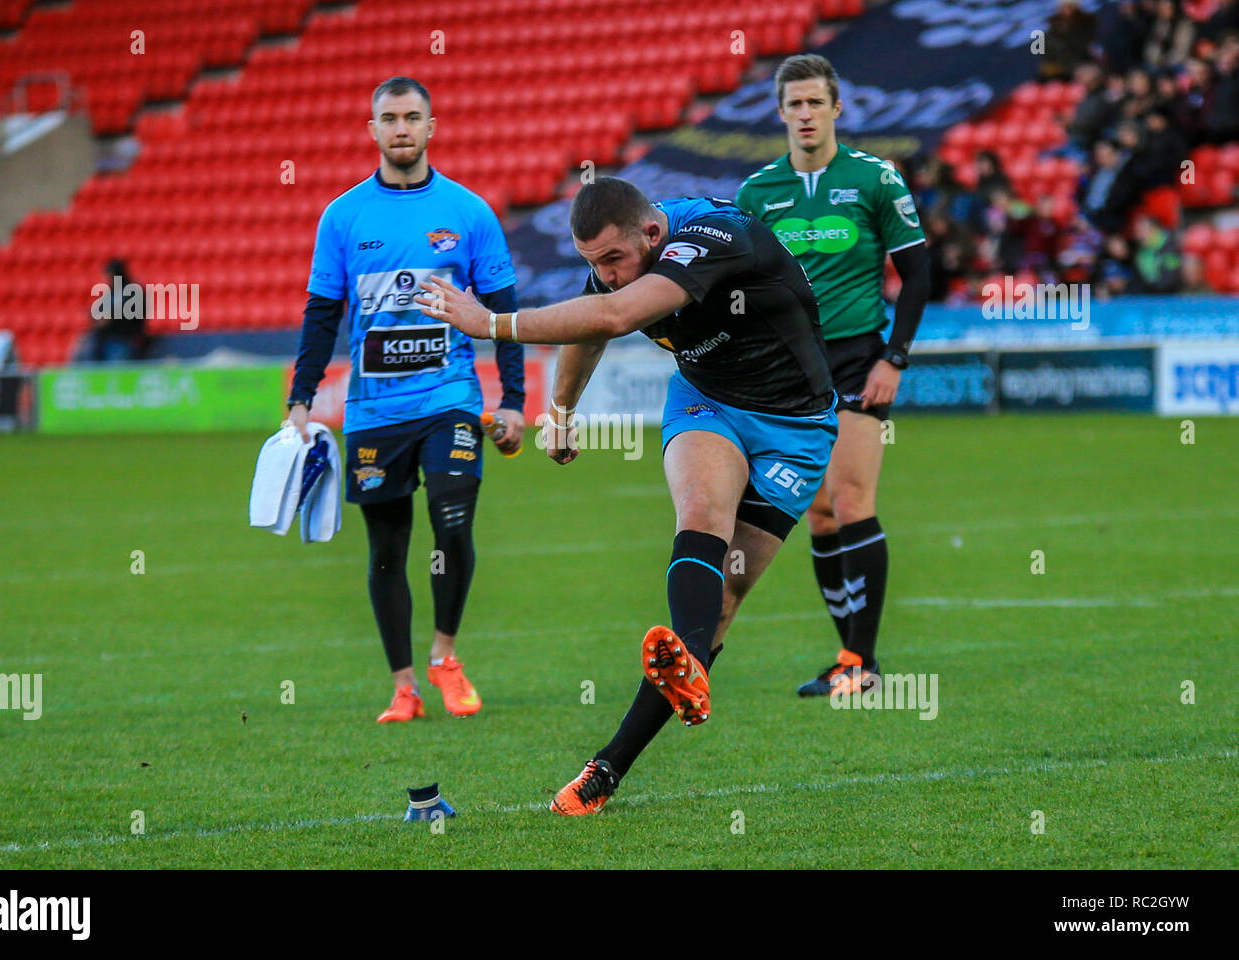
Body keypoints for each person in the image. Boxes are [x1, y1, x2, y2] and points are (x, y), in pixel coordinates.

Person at [416, 176, 837, 815]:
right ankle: (677, 680)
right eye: (594, 265)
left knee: (727, 592)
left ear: (650, 232)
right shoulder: (616, 263)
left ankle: (614, 763)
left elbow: (616, 316)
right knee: (700, 512)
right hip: (710, 403)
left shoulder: (714, 236)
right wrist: (559, 407)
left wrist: (490, 322)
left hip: (796, 428)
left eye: (613, 260)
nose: (607, 276)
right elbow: (591, 330)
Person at [285, 76, 526, 723]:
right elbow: (321, 314)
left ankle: (446, 658)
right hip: (374, 410)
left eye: (411, 116)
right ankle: (404, 685)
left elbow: (505, 312)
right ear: (372, 130)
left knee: (453, 521)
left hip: (449, 397)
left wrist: (514, 402)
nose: (400, 128)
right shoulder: (342, 216)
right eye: (388, 117)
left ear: (431, 126)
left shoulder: (470, 213)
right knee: (386, 551)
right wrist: (301, 400)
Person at [735, 54, 929, 698]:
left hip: (856, 358)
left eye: (817, 102)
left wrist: (893, 357)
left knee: (850, 498)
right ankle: (848, 655)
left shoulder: (876, 179)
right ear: (781, 111)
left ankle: (863, 662)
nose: (807, 114)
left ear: (837, 108)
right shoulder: (756, 194)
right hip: (789, 367)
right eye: (795, 104)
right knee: (817, 513)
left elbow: (919, 273)